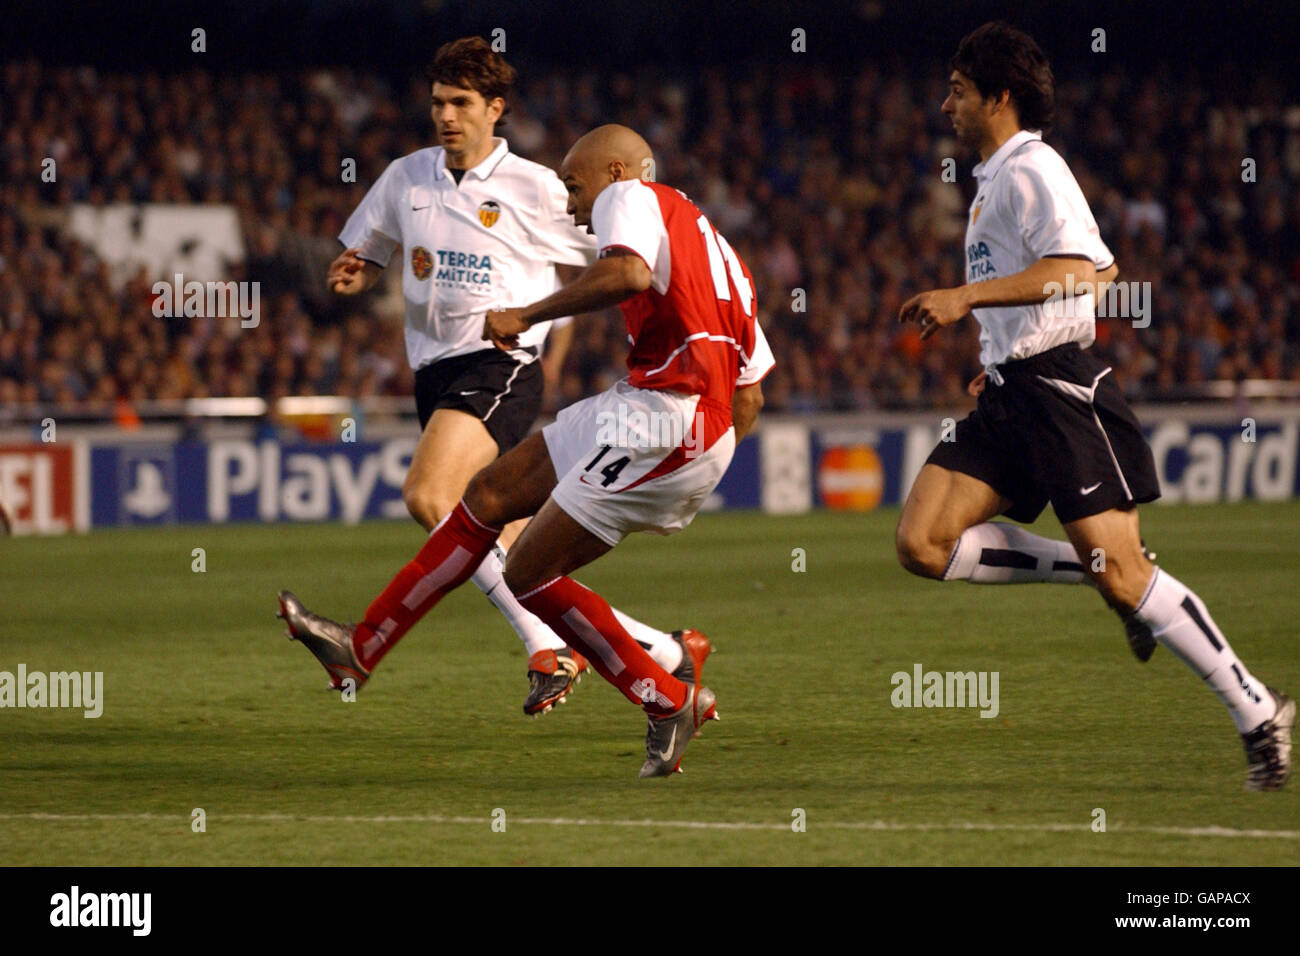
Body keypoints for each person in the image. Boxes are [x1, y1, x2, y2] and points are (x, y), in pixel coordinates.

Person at [280, 124, 771, 776]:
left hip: (665, 422)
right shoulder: (716, 250)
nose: (570, 205)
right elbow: (750, 399)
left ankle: (664, 695)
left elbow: (625, 272)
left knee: (525, 574)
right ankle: (360, 646)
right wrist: (705, 455)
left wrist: (526, 314)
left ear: (617, 171)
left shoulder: (631, 196)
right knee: (487, 496)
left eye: (574, 186)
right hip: (654, 412)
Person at [896, 21, 1291, 790]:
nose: (945, 103)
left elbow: (1090, 269)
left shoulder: (1032, 168)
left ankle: (1257, 708)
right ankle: (1086, 574)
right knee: (922, 542)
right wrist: (995, 353)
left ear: (1000, 98)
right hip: (1013, 390)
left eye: (959, 89)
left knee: (1126, 574)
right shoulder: (990, 181)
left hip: (1059, 393)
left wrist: (968, 297)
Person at [326, 37, 686, 715]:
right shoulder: (406, 177)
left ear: (496, 109)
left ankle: (544, 648)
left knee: (431, 496)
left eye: (461, 103)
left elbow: (619, 253)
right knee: (508, 544)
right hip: (433, 372)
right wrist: (359, 266)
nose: (447, 116)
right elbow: (370, 242)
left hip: (502, 365)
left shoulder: (540, 187)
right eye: (438, 102)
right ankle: (663, 652)